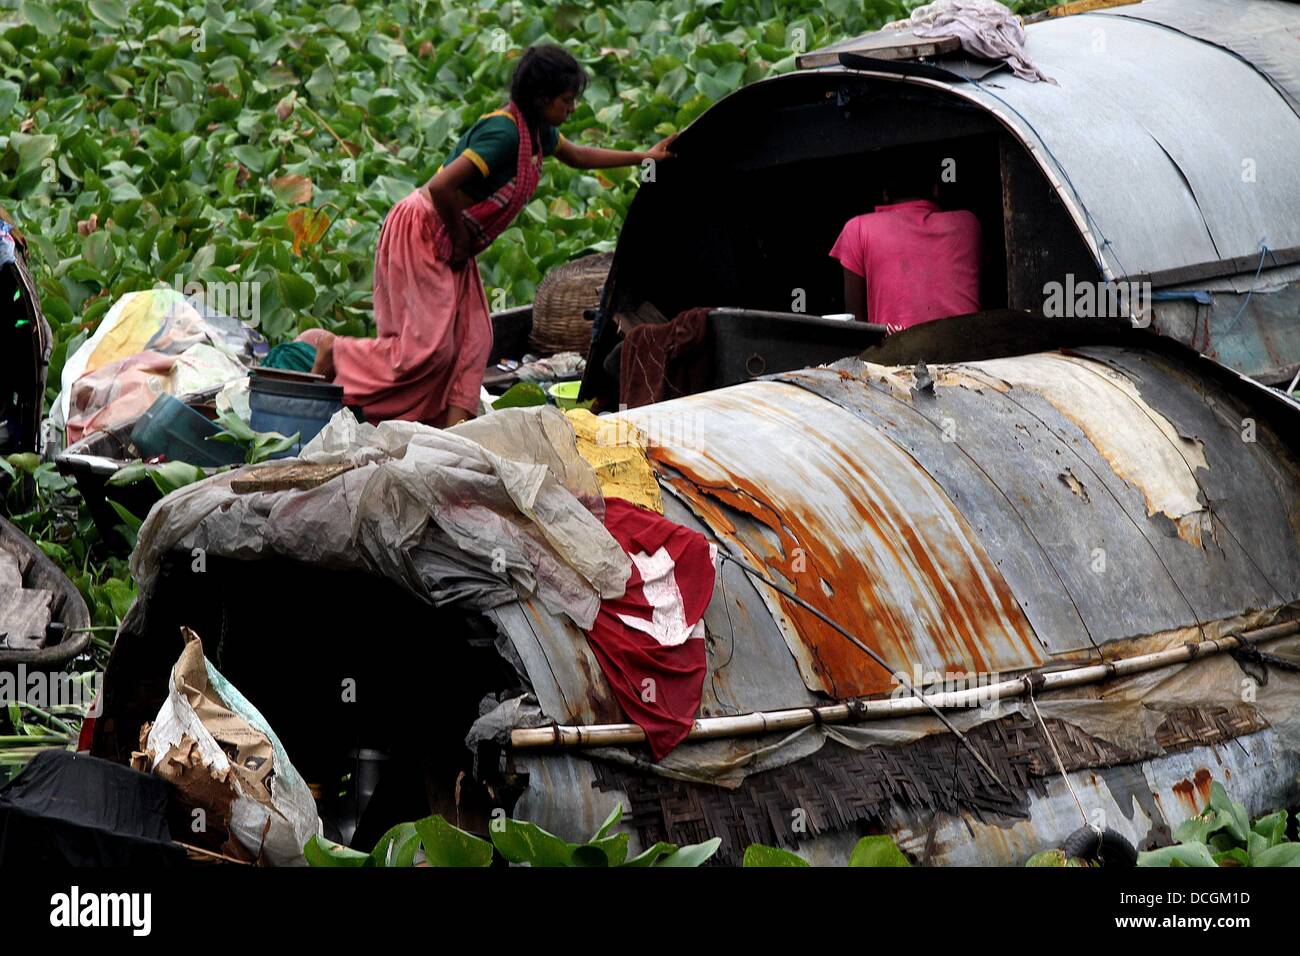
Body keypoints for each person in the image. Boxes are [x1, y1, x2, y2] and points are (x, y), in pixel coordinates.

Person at [304, 44, 677, 427]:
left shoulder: (537, 132)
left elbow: (578, 156)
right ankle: (338, 352)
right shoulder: (503, 134)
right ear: (541, 98)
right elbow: (440, 188)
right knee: (427, 349)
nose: (572, 109)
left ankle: (454, 432)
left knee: (475, 340)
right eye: (566, 100)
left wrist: (642, 157)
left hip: (452, 237)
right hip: (425, 229)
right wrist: (461, 238)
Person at [830, 156, 981, 332]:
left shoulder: (858, 228)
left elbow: (854, 319)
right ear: (935, 191)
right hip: (965, 349)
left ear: (885, 195)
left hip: (895, 353)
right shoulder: (968, 223)